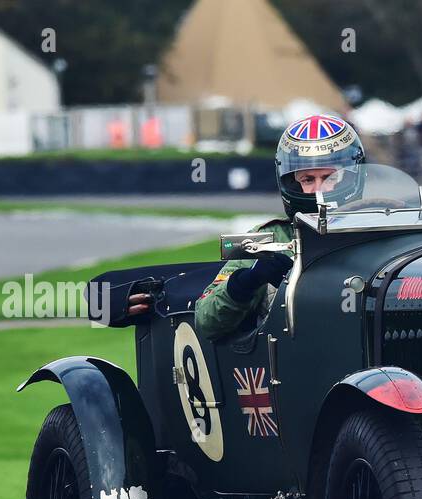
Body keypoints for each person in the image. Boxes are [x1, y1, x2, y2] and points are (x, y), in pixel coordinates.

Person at [125, 114, 366, 339]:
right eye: (308, 180)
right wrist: (249, 280)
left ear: (353, 176)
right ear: (291, 183)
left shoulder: (384, 226)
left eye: (329, 178)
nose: (318, 189)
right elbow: (206, 319)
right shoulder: (267, 239)